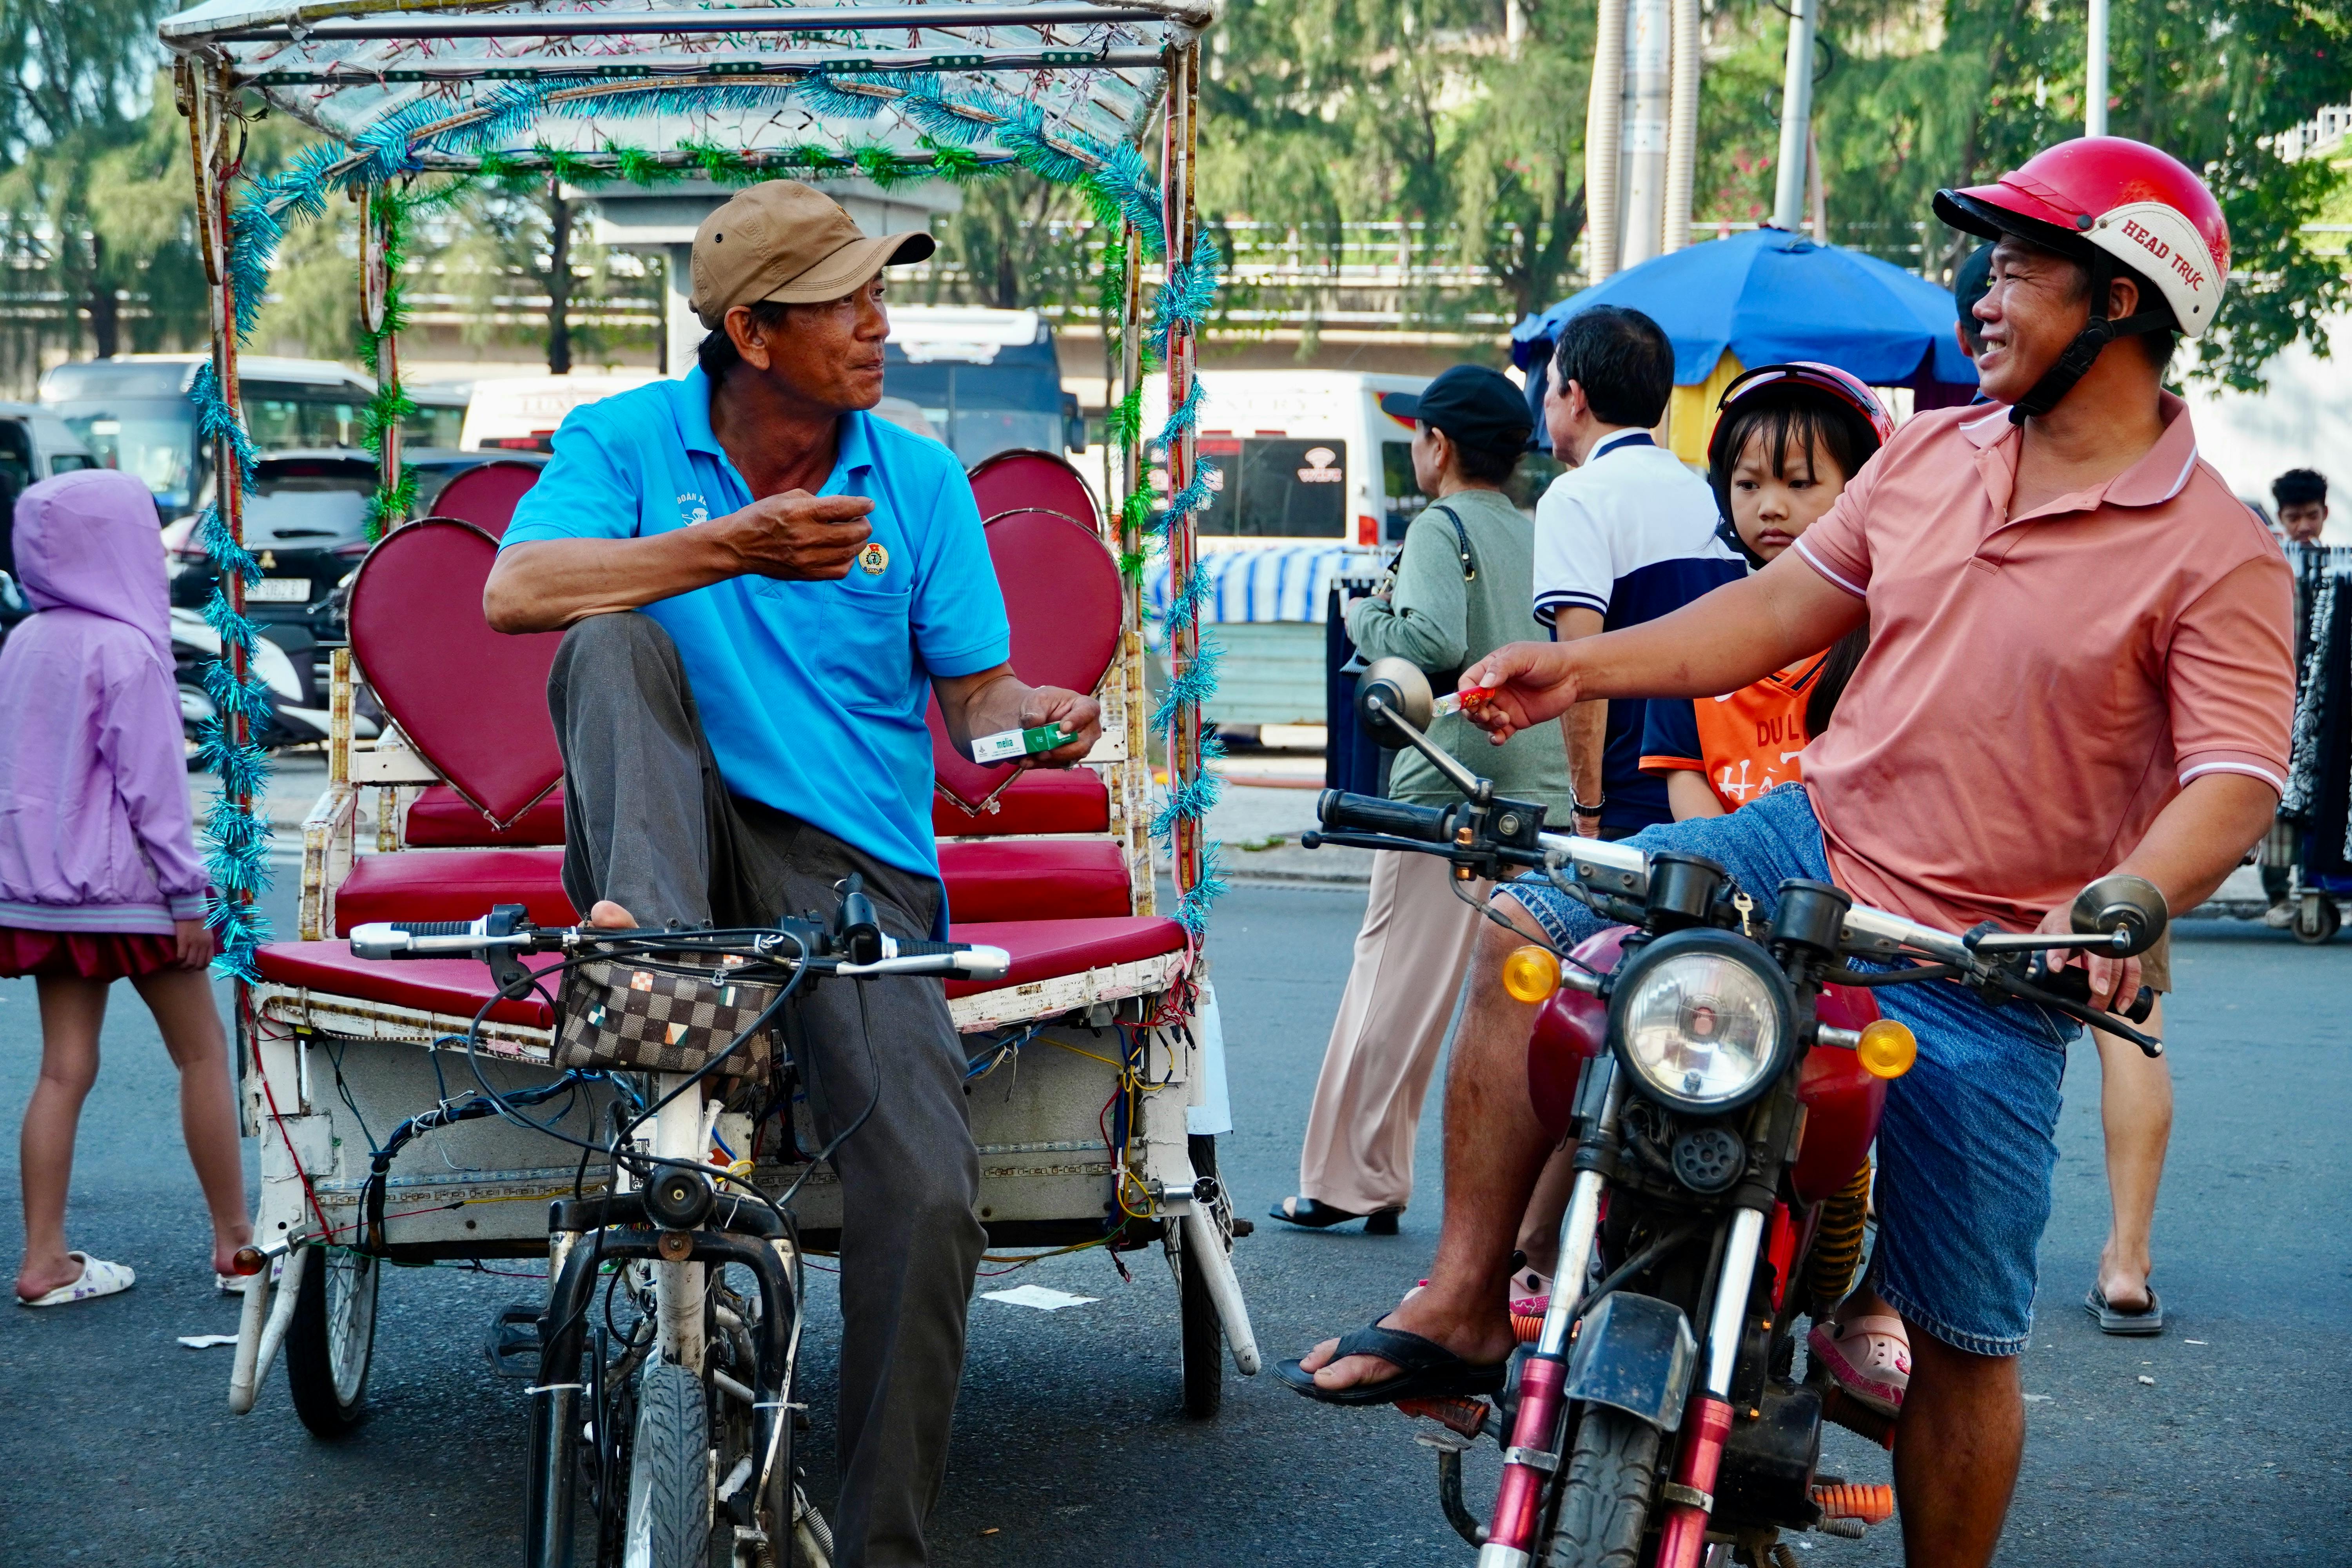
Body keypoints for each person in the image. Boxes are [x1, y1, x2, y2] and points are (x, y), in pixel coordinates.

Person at [1288, 137, 2291, 1568]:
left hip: (1990, 959)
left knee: (1963, 1341)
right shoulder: (1934, 454)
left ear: (2121, 300)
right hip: (1803, 841)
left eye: (2017, 269)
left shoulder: (2216, 547)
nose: (1980, 294)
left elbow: (2235, 774)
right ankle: (1461, 1299)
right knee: (1526, 926)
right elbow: (1771, 614)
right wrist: (1579, 669)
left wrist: (2122, 897)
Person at [482, 181, 1102, 1568]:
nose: (879, 325)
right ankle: (652, 952)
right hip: (667, 841)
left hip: (851, 869)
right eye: (846, 302)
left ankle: (880, 1545)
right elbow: (514, 594)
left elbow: (977, 703)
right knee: (607, 634)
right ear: (753, 332)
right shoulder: (625, 439)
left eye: (881, 295)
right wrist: (732, 546)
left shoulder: (918, 480)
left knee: (928, 1193)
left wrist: (1038, 714)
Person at [1272, 366, 1570, 1233]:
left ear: (1438, 444)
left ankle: (1353, 1180)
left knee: (1392, 983)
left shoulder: (1442, 525)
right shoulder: (1529, 529)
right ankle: (1511, 1211)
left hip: (1448, 786)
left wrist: (1365, 617)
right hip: (1533, 787)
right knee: (1513, 1009)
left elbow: (1431, 640)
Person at [1, 469, 251, 1307]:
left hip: (44, 895)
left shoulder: (24, 642)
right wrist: (188, 900)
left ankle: (44, 1260)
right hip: (134, 894)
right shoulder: (127, 649)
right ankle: (237, 1246)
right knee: (201, 1052)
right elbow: (154, 793)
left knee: (63, 1069)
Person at [1530, 305, 1744, 841]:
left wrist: (1588, 807)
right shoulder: (1710, 495)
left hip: (1631, 802)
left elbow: (1579, 671)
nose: (1546, 399)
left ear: (1576, 397)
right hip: (1721, 789)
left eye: (1551, 385)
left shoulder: (1575, 498)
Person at [2272, 467, 2328, 546]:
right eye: (2293, 519)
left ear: (2325, 513)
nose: (2304, 527)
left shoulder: (2340, 553)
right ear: (2280, 518)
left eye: (2313, 517)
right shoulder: (2270, 554)